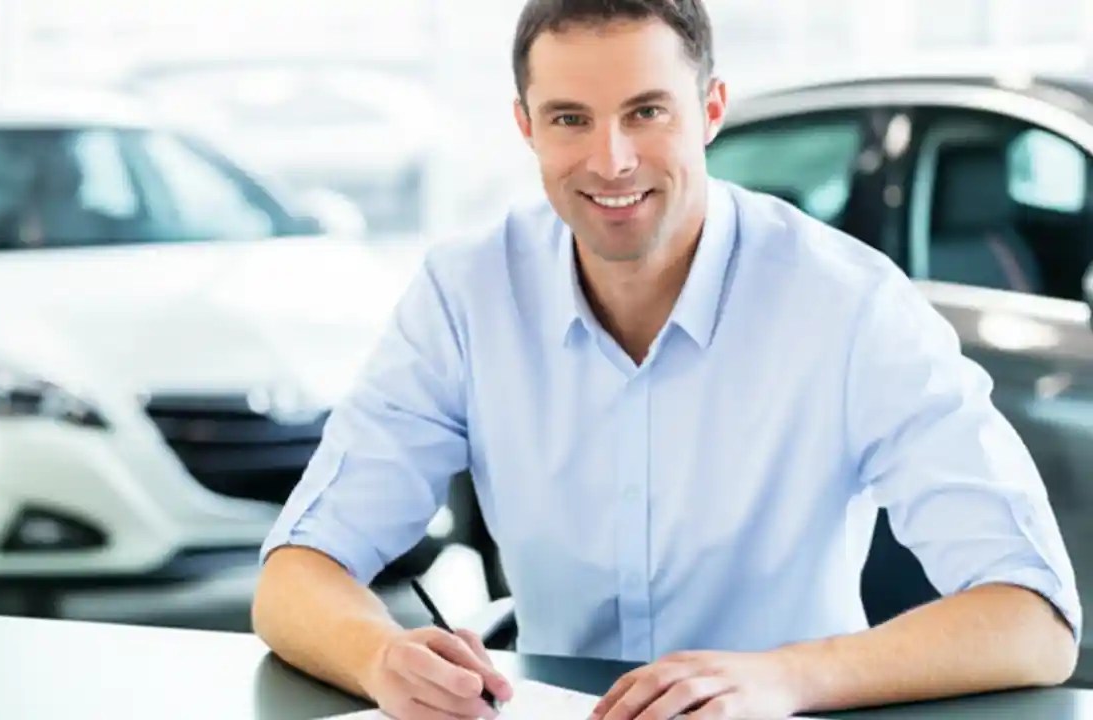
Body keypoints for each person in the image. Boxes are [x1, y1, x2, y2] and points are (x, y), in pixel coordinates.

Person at [252, 1, 1082, 718]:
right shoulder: (464, 293)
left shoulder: (849, 305)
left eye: (647, 112)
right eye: (570, 118)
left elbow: (1035, 618)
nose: (611, 161)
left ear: (711, 108)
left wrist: (785, 679)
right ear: (525, 126)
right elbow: (297, 571)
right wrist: (379, 658)